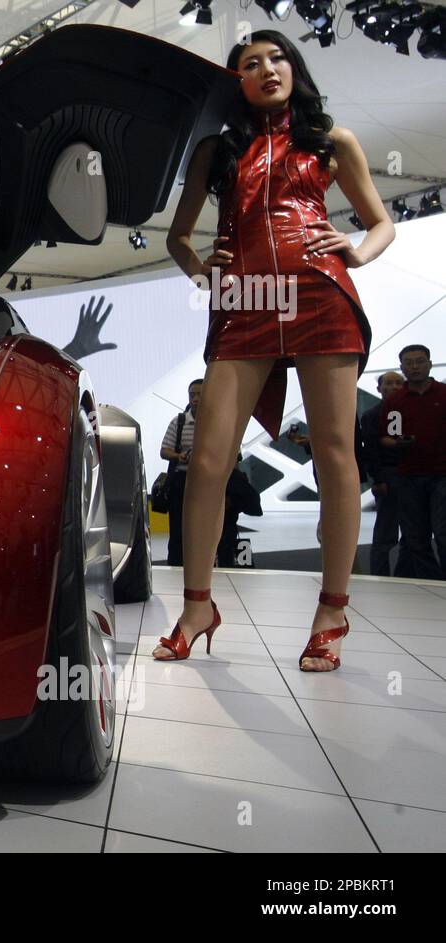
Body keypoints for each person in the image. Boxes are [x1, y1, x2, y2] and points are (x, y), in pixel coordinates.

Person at [156, 30, 394, 671]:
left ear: (295, 68)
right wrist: (206, 272)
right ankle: (198, 604)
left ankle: (332, 610)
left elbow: (380, 222)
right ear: (235, 81)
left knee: (336, 456)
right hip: (246, 301)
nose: (266, 69)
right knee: (207, 462)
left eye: (276, 58)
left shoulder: (332, 140)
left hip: (321, 296)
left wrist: (357, 252)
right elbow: (179, 238)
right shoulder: (217, 148)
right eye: (249, 64)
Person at [380, 345, 446, 580]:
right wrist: (399, 443)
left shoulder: (443, 394)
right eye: (409, 363)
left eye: (419, 361)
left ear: (429, 363)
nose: (415, 367)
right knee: (415, 537)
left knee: (443, 532)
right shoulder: (396, 401)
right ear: (402, 367)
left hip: (442, 474)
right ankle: (434, 583)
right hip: (409, 475)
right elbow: (388, 436)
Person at [359, 371, 410, 576]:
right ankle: (380, 574)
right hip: (389, 476)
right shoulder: (372, 415)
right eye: (390, 383)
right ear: (379, 388)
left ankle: (404, 574)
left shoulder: (410, 412)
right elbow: (370, 450)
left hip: (412, 475)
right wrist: (378, 478)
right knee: (385, 532)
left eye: (399, 383)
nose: (395, 387)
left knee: (412, 531)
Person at [160, 380, 201, 565]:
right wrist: (179, 456)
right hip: (181, 481)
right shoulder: (179, 421)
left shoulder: (220, 422)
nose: (195, 399)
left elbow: (233, 455)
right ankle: (175, 565)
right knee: (177, 529)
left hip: (210, 483)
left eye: (200, 394)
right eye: (192, 394)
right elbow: (164, 450)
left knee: (206, 528)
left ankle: (206, 565)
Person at [219, 454, 262, 566]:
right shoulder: (237, 477)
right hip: (228, 483)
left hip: (227, 484)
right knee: (226, 536)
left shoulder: (236, 478)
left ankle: (225, 565)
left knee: (226, 536)